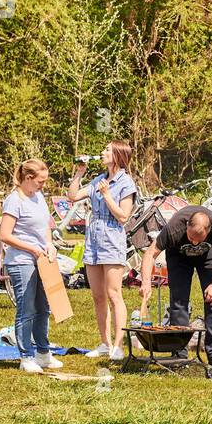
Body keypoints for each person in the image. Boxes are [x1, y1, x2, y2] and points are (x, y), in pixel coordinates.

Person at [139, 206, 212, 369]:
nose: (194, 242)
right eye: (191, 237)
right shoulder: (174, 229)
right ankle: (179, 353)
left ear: (209, 230)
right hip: (178, 256)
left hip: (208, 255)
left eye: (199, 239)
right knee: (179, 301)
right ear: (186, 227)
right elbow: (150, 254)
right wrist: (145, 282)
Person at [67, 141, 138, 361]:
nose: (103, 152)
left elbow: (123, 216)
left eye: (107, 150)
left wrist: (107, 195)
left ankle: (118, 345)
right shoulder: (99, 179)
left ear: (117, 156)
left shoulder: (125, 183)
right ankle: (104, 343)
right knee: (98, 296)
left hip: (112, 238)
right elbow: (73, 196)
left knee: (114, 294)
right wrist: (79, 173)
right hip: (93, 240)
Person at [0, 159, 61, 374]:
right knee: (27, 309)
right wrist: (32, 249)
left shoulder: (39, 197)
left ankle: (43, 353)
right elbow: (5, 235)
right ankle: (26, 356)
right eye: (40, 181)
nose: (43, 185)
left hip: (42, 259)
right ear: (28, 178)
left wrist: (49, 244)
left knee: (44, 307)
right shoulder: (14, 200)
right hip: (21, 261)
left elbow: (45, 226)